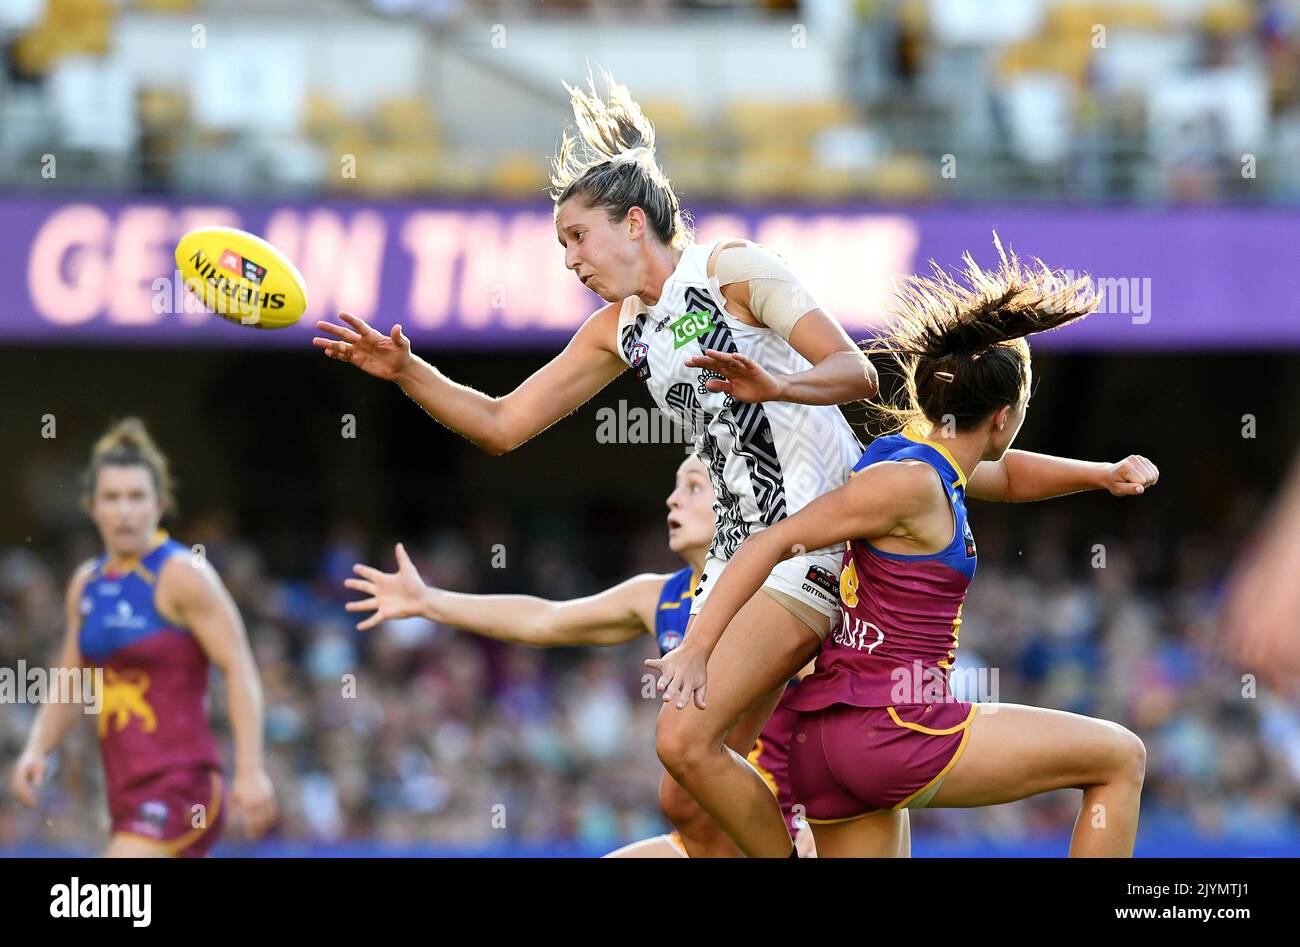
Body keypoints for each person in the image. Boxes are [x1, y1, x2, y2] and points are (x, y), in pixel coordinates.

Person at [314, 67, 877, 847]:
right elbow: (502, 423)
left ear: (634, 223)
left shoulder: (732, 271)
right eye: (561, 244)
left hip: (809, 543)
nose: (570, 259)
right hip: (736, 559)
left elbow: (858, 371)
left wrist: (774, 380)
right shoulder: (621, 328)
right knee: (684, 801)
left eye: (578, 237)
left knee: (682, 743)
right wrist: (409, 370)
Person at [650, 239, 1159, 856]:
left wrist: (1100, 473)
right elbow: (775, 540)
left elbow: (1007, 475)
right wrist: (698, 649)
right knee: (1119, 758)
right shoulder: (912, 485)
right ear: (1002, 416)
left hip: (829, 746)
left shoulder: (907, 466)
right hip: (894, 730)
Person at [344, 454, 822, 856]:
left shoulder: (786, 602)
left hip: (786, 832)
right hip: (705, 836)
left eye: (694, 486)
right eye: (675, 487)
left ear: (738, 502)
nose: (673, 499)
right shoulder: (659, 596)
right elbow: (544, 619)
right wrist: (430, 601)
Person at [10, 419, 276, 856]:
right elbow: (70, 679)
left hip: (183, 788)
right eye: (112, 498)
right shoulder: (87, 583)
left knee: (105, 901)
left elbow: (239, 667)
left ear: (159, 504)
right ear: (92, 506)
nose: (125, 511)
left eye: (137, 497)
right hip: (125, 793)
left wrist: (250, 769)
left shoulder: (182, 575)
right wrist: (38, 748)